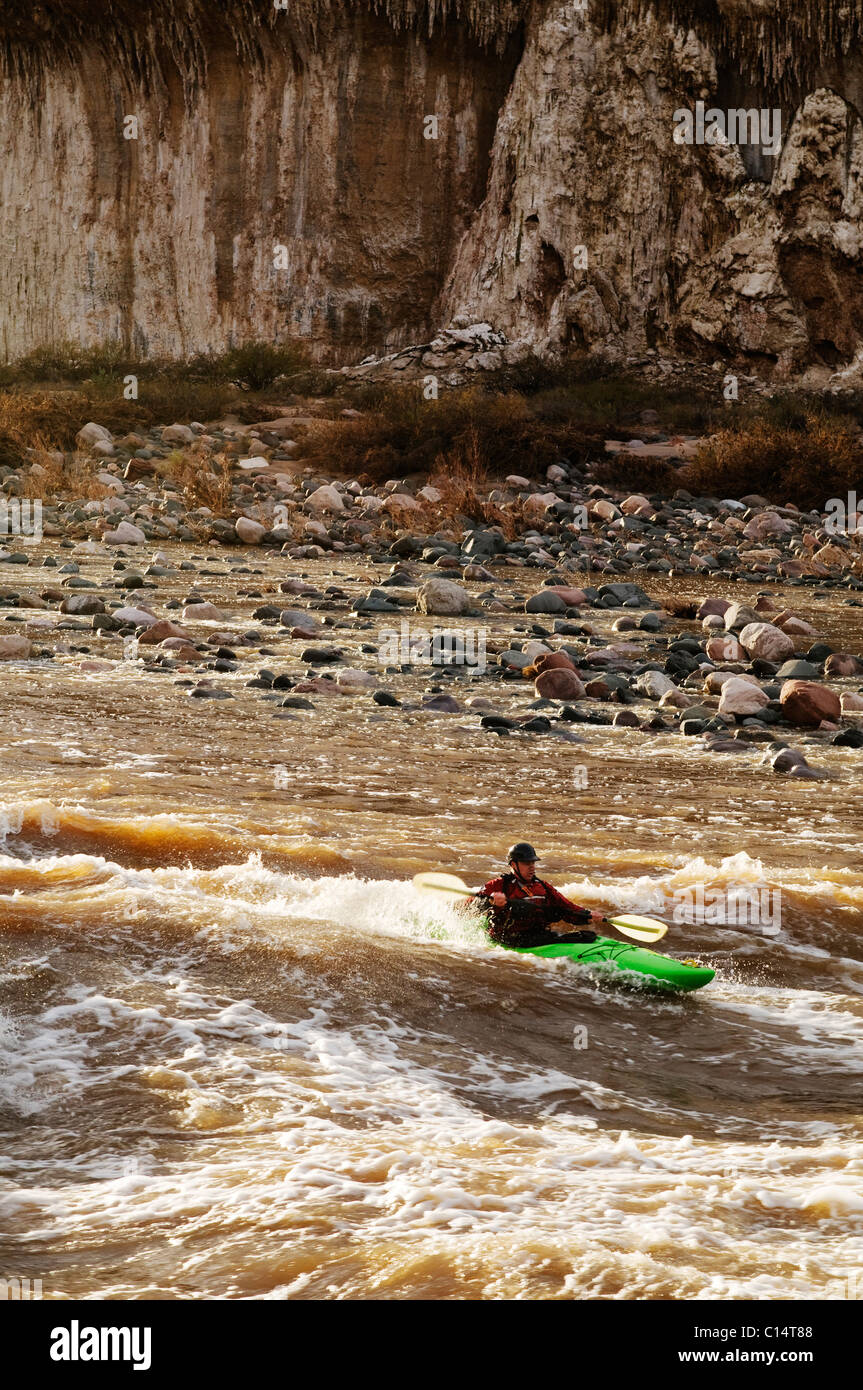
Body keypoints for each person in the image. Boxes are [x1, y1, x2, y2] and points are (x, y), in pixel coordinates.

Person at [473, 843, 607, 947]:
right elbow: (471, 906)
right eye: (527, 863)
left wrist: (587, 915)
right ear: (513, 864)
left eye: (533, 863)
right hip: (509, 938)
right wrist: (489, 902)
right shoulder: (498, 885)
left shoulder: (542, 886)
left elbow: (566, 907)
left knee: (587, 936)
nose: (532, 867)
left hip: (537, 936)